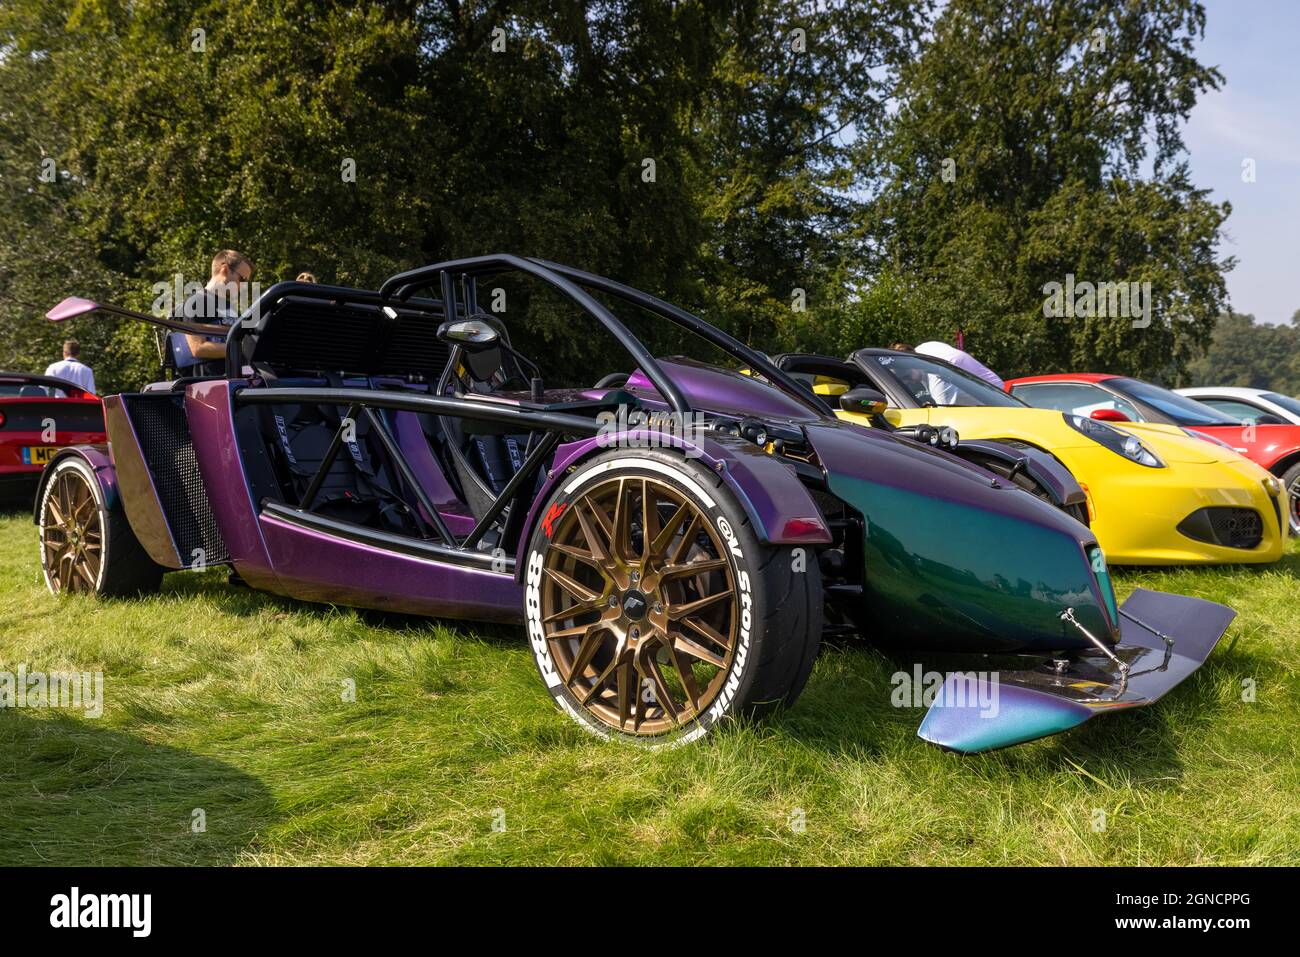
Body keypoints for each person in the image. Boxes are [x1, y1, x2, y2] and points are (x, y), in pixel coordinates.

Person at [170, 249, 254, 376]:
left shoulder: (229, 307)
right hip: (210, 384)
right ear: (225, 269)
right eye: (242, 279)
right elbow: (198, 348)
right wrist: (243, 348)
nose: (243, 286)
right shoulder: (197, 301)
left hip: (234, 379)